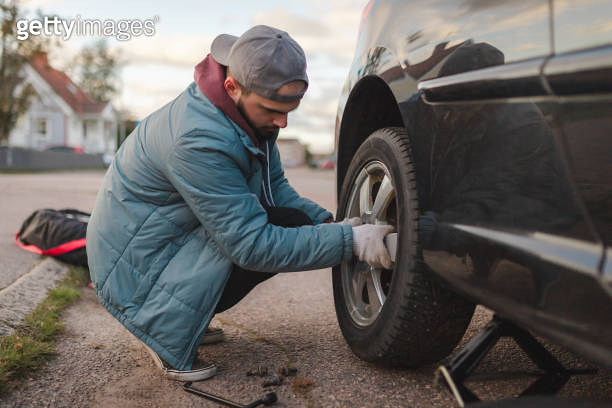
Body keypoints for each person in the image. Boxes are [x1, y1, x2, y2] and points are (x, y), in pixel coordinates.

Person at [86, 25, 394, 381]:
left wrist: (331, 225)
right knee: (267, 237)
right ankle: (162, 328)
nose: (283, 121)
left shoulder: (246, 116)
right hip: (134, 271)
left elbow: (275, 191)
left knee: (291, 220)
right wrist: (349, 242)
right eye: (272, 110)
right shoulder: (197, 140)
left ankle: (186, 314)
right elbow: (251, 247)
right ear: (233, 86)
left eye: (290, 109)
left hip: (157, 246)